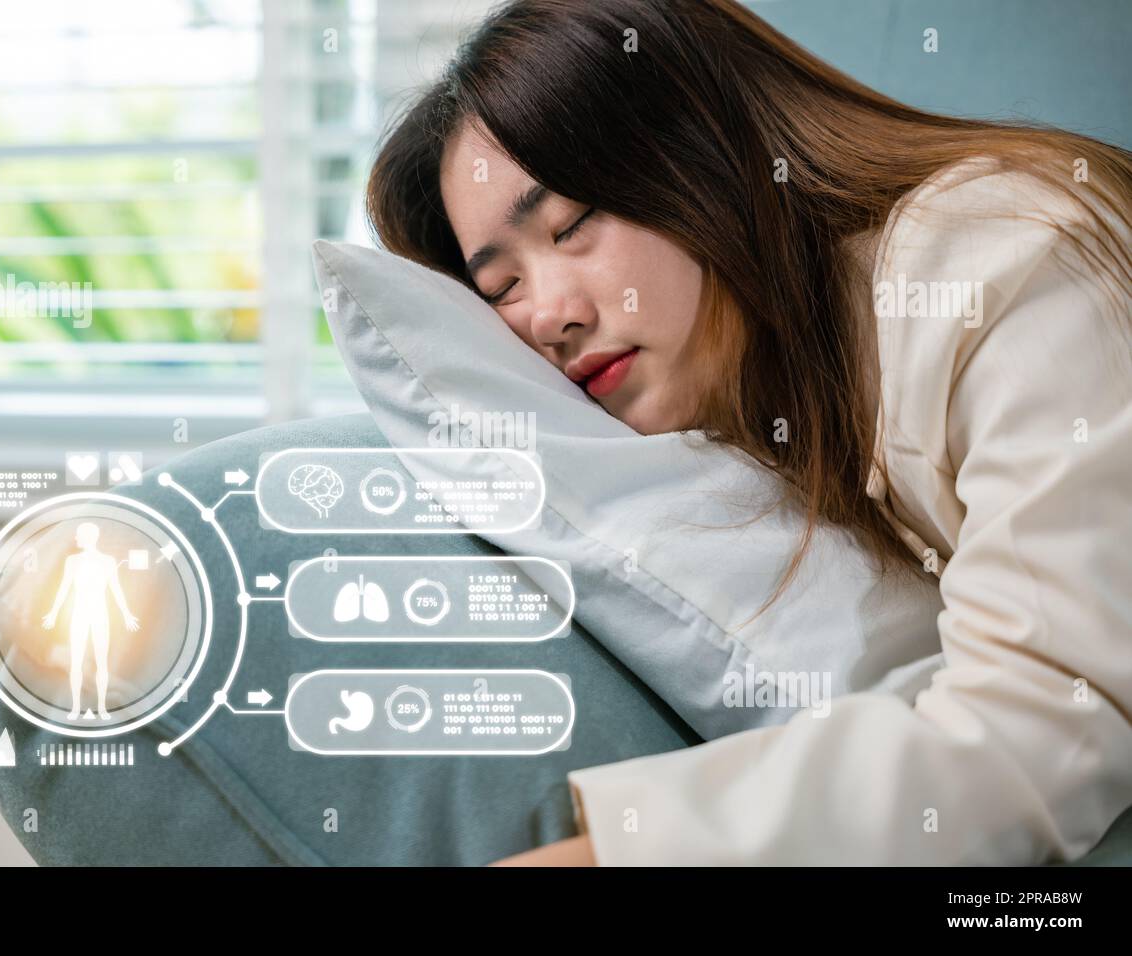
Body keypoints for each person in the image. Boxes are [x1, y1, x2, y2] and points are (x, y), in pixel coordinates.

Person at [364, 0, 1132, 864]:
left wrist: (612, 854)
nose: (549, 316)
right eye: (502, 287)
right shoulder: (746, 407)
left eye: (571, 225)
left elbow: (1048, 723)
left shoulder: (1000, 258)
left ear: (709, 154)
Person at [41, 522, 141, 720]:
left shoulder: (107, 561)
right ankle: (77, 707)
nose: (76, 539)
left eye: (79, 535)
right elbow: (63, 588)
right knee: (77, 662)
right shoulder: (73, 561)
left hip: (98, 615)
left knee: (101, 664)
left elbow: (116, 589)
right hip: (81, 614)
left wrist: (127, 614)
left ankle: (101, 707)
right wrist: (53, 613)